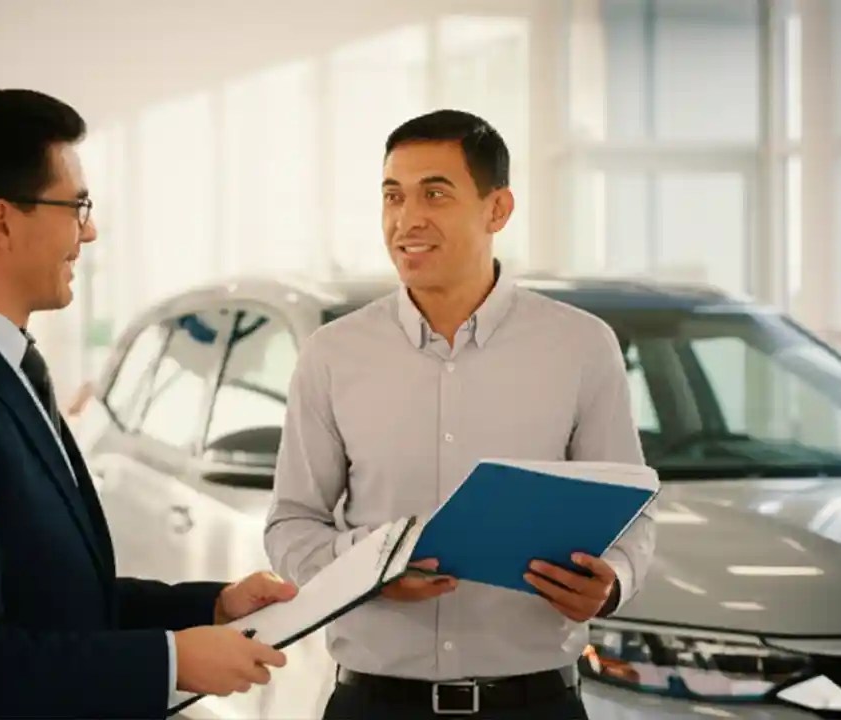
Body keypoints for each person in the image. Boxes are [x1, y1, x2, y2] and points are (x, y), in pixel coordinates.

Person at [0, 89, 294, 720]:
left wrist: (210, 607)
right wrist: (172, 661)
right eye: (77, 207)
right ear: (2, 222)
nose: (90, 231)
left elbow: (57, 598)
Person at [264, 109, 656, 719]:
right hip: (374, 703)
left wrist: (612, 585)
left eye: (435, 194)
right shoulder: (332, 355)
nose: (406, 219)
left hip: (534, 704)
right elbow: (292, 523)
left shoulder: (580, 347)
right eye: (393, 196)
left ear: (497, 209)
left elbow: (630, 508)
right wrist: (366, 571)